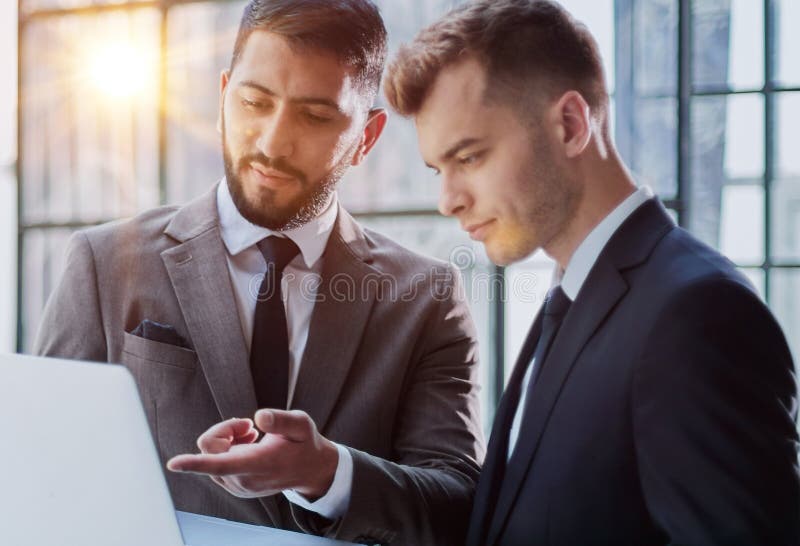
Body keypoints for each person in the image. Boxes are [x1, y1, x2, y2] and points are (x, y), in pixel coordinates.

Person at [34, 1, 484, 544]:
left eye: (315, 116)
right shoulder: (102, 264)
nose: (272, 144)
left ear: (366, 137)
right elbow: (46, 471)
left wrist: (327, 473)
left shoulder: (426, 298)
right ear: (224, 95)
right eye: (254, 102)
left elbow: (456, 504)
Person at [383, 1, 800, 544]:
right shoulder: (574, 298)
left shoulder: (696, 315)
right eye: (439, 169)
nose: (447, 200)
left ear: (571, 124)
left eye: (470, 157)